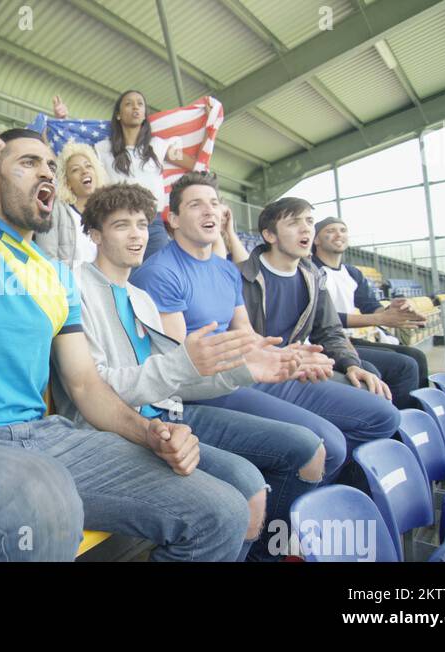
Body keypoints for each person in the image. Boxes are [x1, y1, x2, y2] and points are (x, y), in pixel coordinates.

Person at [0, 127, 254, 562]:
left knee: (221, 512)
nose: (47, 173)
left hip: (45, 438)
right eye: (29, 163)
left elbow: (87, 387)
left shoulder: (57, 276)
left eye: (51, 165)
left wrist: (148, 432)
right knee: (42, 504)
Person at [54, 182, 327, 560]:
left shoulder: (142, 298)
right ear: (96, 235)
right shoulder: (76, 288)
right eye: (121, 225)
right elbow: (99, 387)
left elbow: (175, 379)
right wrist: (183, 365)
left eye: (140, 224)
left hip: (170, 412)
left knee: (304, 445)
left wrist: (246, 371)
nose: (136, 235)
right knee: (246, 489)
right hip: (118, 427)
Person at [131, 172, 400, 478]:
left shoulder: (225, 270)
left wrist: (286, 357)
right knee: (331, 446)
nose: (209, 211)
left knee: (383, 416)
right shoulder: (161, 273)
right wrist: (256, 362)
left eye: (214, 203)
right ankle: (296, 510)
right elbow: (179, 367)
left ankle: (336, 496)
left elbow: (246, 333)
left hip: (247, 370)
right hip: (210, 386)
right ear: (175, 220)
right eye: (196, 205)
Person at [312, 216, 428, 406]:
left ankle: (418, 419)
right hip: (326, 340)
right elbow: (324, 319)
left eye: (342, 230)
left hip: (347, 339)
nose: (338, 234)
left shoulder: (352, 272)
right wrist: (380, 318)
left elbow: (371, 306)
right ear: (316, 240)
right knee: (402, 365)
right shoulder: (312, 270)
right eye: (330, 231)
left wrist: (396, 310)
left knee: (415, 356)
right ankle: (395, 423)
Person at [94, 90, 190, 260]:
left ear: (145, 114)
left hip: (153, 224)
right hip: (118, 223)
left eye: (140, 104)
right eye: (128, 104)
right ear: (118, 114)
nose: (135, 107)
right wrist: (62, 120)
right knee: (124, 278)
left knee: (159, 275)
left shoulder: (158, 145)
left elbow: (192, 163)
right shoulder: (102, 148)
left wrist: (207, 125)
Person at [34, 141, 106, 265]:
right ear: (67, 182)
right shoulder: (53, 210)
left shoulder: (108, 214)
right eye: (75, 170)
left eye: (88, 166)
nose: (84, 171)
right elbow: (46, 257)